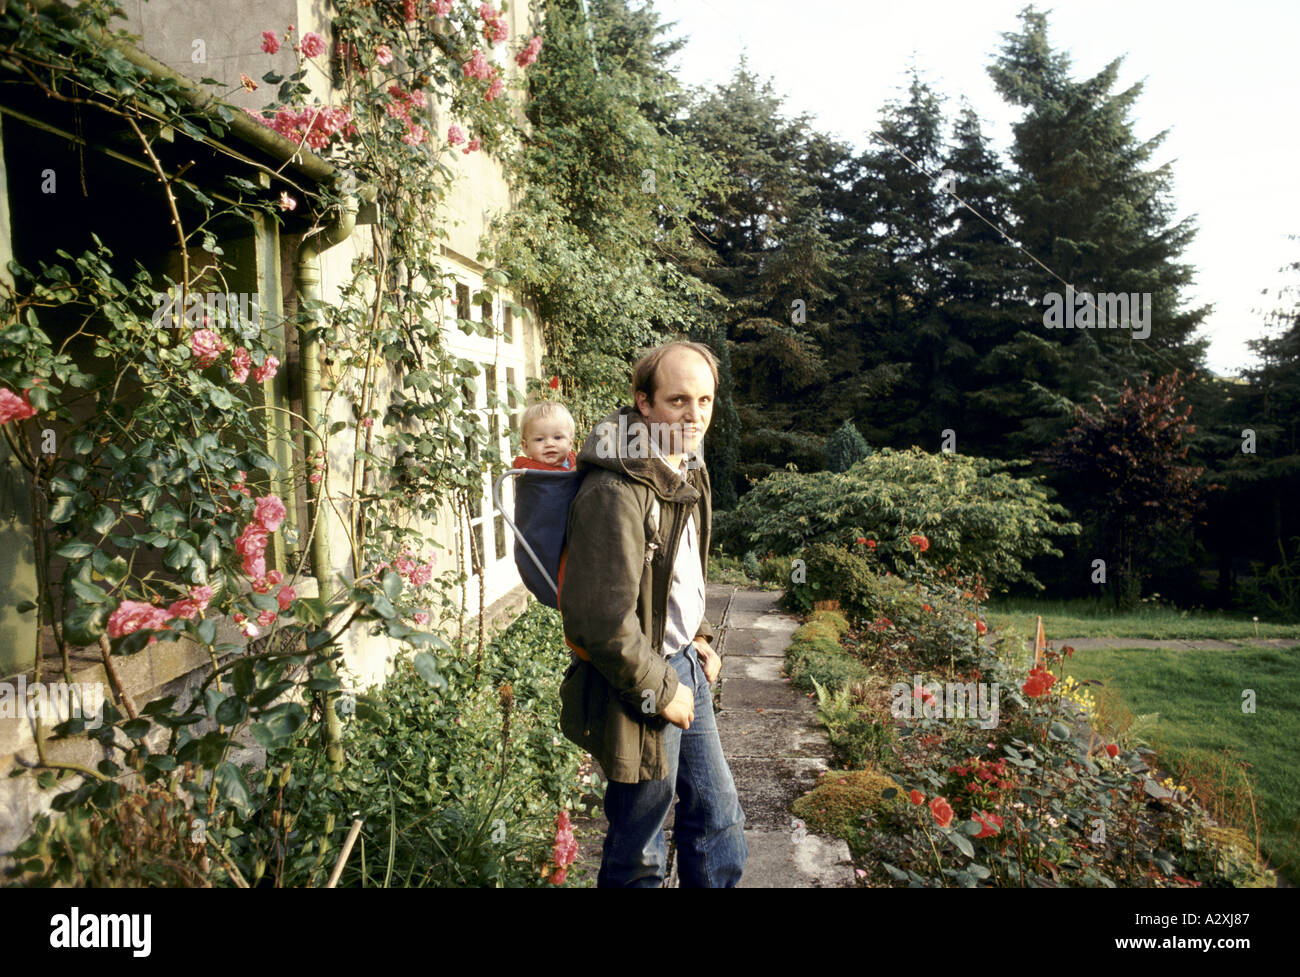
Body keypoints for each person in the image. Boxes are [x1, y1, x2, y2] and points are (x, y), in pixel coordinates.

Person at [556, 340, 747, 887]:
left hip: (685, 664)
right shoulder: (614, 490)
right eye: (678, 400)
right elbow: (601, 620)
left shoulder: (686, 465)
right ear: (643, 402)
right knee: (638, 849)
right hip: (639, 682)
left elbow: (680, 570)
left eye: (705, 401)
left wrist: (700, 635)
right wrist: (661, 690)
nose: (695, 416)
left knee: (718, 823)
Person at [513, 400, 577, 470]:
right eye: (539, 439)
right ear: (526, 447)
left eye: (557, 437)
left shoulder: (577, 462)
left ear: (570, 443)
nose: (549, 444)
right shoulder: (529, 470)